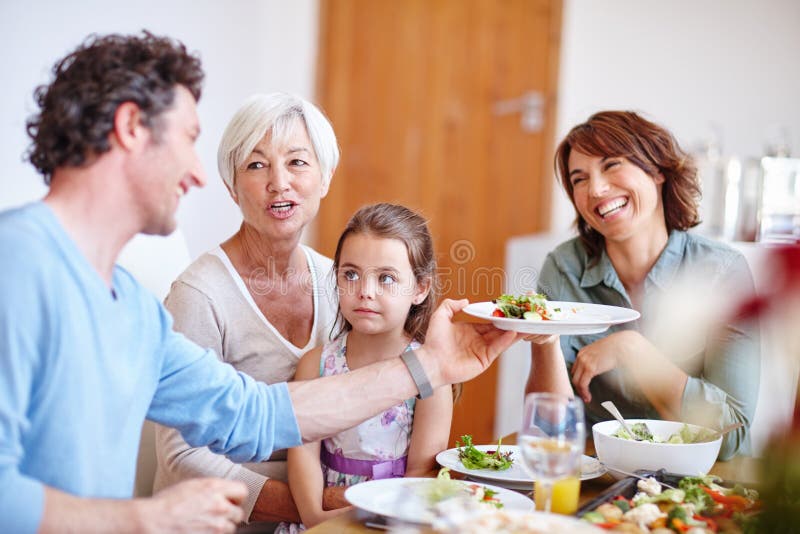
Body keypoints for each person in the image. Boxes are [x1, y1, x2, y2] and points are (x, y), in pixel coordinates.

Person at [0, 31, 520, 534]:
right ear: (132, 127)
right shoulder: (17, 266)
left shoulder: (129, 306)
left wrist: (430, 366)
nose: (199, 173)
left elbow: (254, 414)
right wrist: (144, 521)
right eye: (189, 139)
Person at [152, 92, 343, 527]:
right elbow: (183, 456)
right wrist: (312, 507)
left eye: (297, 162)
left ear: (325, 177)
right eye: (257, 165)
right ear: (231, 187)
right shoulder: (199, 295)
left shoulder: (339, 283)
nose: (279, 182)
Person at [525, 111, 759, 460]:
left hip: (704, 479)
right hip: (603, 472)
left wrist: (633, 351)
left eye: (611, 165)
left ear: (658, 170)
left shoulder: (722, 272)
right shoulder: (563, 268)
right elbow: (548, 431)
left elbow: (730, 437)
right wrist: (545, 340)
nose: (596, 189)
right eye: (579, 179)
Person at [284, 203, 453, 531]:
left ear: (420, 289)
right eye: (351, 274)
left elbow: (421, 474)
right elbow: (303, 456)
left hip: (395, 519)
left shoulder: (430, 375)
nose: (365, 292)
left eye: (386, 278)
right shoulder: (315, 365)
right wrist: (314, 517)